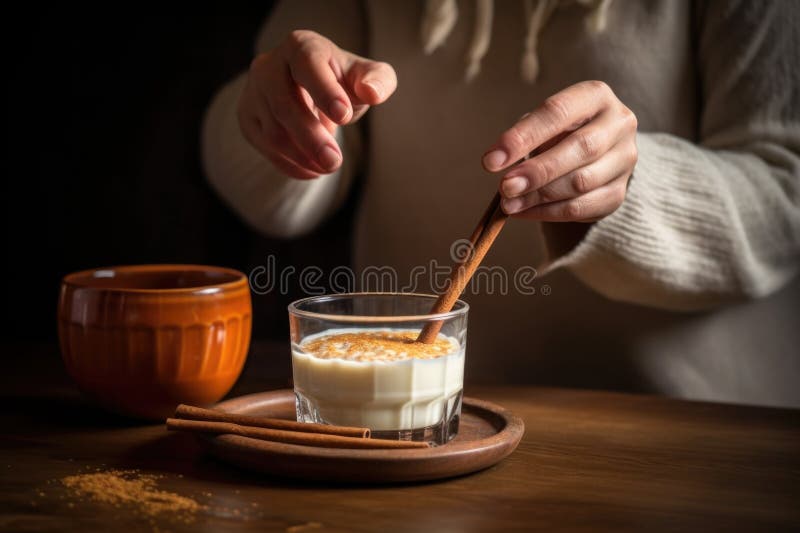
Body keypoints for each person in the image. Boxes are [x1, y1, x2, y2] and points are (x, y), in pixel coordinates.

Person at [202, 0, 800, 406]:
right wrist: (274, 122)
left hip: (688, 432)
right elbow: (276, 203)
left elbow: (785, 192)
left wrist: (629, 184)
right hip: (424, 428)